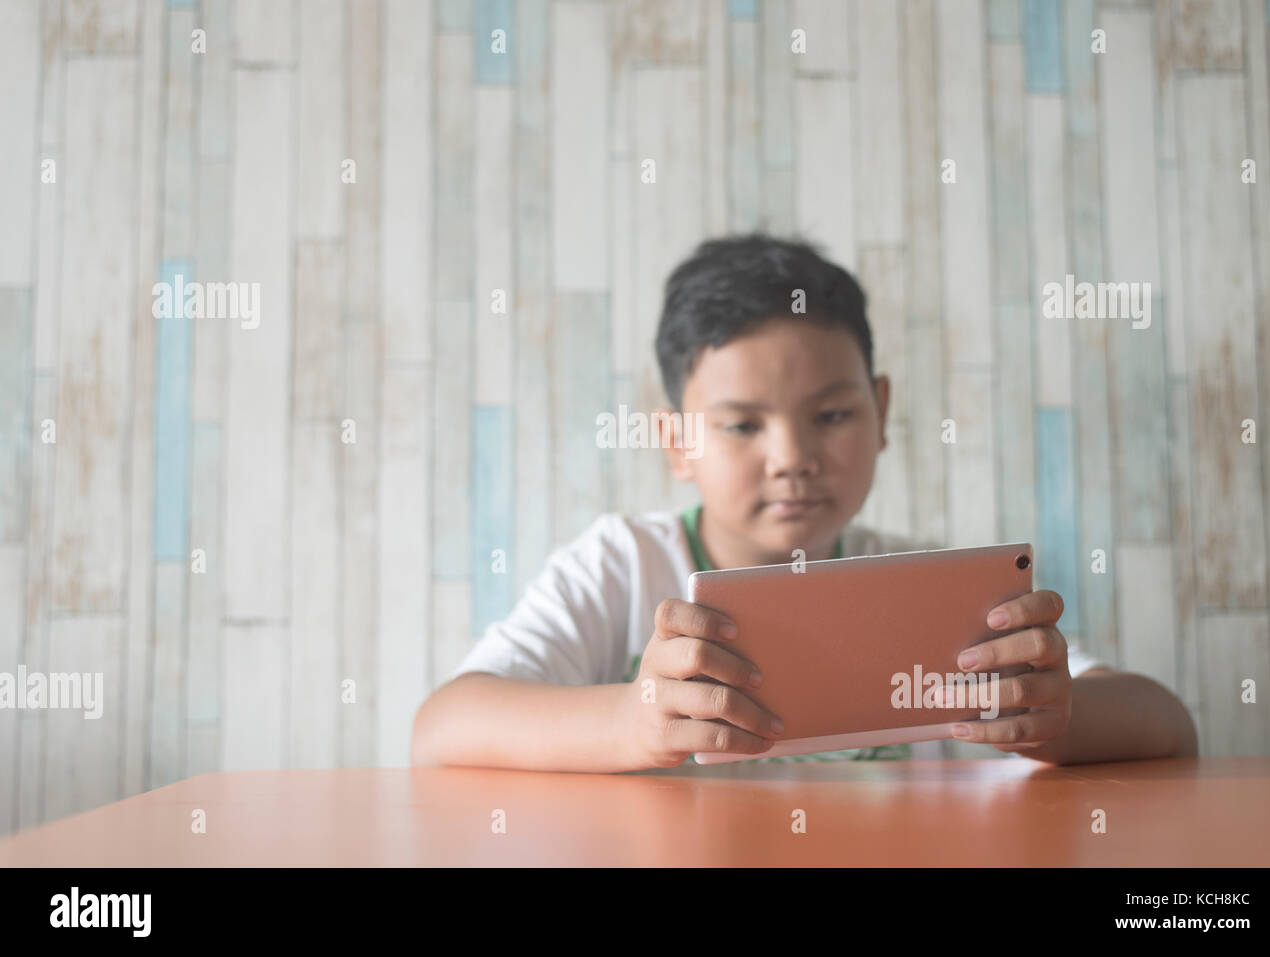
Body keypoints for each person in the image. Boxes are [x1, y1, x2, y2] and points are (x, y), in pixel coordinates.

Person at [411, 234, 1198, 772]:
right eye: (742, 424)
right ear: (677, 440)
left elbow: (1167, 725)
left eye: (831, 415)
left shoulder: (922, 587)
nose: (791, 458)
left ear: (882, 413)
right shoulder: (621, 566)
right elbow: (443, 726)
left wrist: (1056, 717)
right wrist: (629, 721)